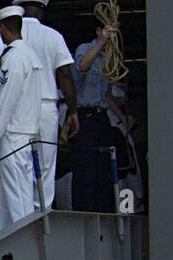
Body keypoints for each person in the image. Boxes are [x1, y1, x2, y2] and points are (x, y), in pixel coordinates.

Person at [0, 1, 76, 214]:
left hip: (17, 112)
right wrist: (73, 110)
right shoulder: (53, 35)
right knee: (44, 168)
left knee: (17, 176)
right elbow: (65, 74)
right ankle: (42, 215)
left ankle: (24, 225)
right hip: (45, 108)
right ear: (41, 10)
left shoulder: (0, 39)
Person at [0, 7, 44, 229]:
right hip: (24, 131)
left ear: (2, 28)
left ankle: (24, 243)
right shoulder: (29, 54)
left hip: (13, 132)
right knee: (15, 193)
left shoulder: (14, 57)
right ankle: (8, 241)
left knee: (17, 194)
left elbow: (7, 100)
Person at [70, 25, 117, 213]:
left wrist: (123, 117)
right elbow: (81, 67)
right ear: (98, 30)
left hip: (101, 116)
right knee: (85, 168)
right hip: (85, 116)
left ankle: (104, 211)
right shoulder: (85, 49)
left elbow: (106, 94)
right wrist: (101, 42)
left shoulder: (108, 57)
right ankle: (84, 212)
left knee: (104, 166)